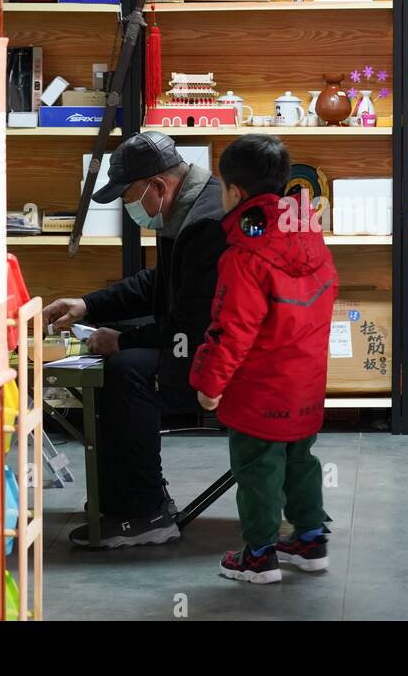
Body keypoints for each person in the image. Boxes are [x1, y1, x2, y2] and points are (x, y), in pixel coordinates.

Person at [44, 131, 226, 549]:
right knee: (120, 366)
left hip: (225, 363)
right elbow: (158, 285)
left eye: (129, 196)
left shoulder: (206, 224)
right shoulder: (183, 206)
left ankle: (146, 514)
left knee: (126, 372)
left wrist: (121, 341)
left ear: (157, 186)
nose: (128, 207)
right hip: (200, 341)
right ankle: (129, 501)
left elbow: (188, 329)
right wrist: (87, 306)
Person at [189, 135, 338, 584]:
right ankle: (311, 541)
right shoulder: (310, 235)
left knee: (257, 468)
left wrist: (209, 385)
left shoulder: (243, 255)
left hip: (258, 389)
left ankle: (258, 555)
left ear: (234, 191)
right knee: (301, 460)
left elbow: (230, 329)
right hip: (306, 381)